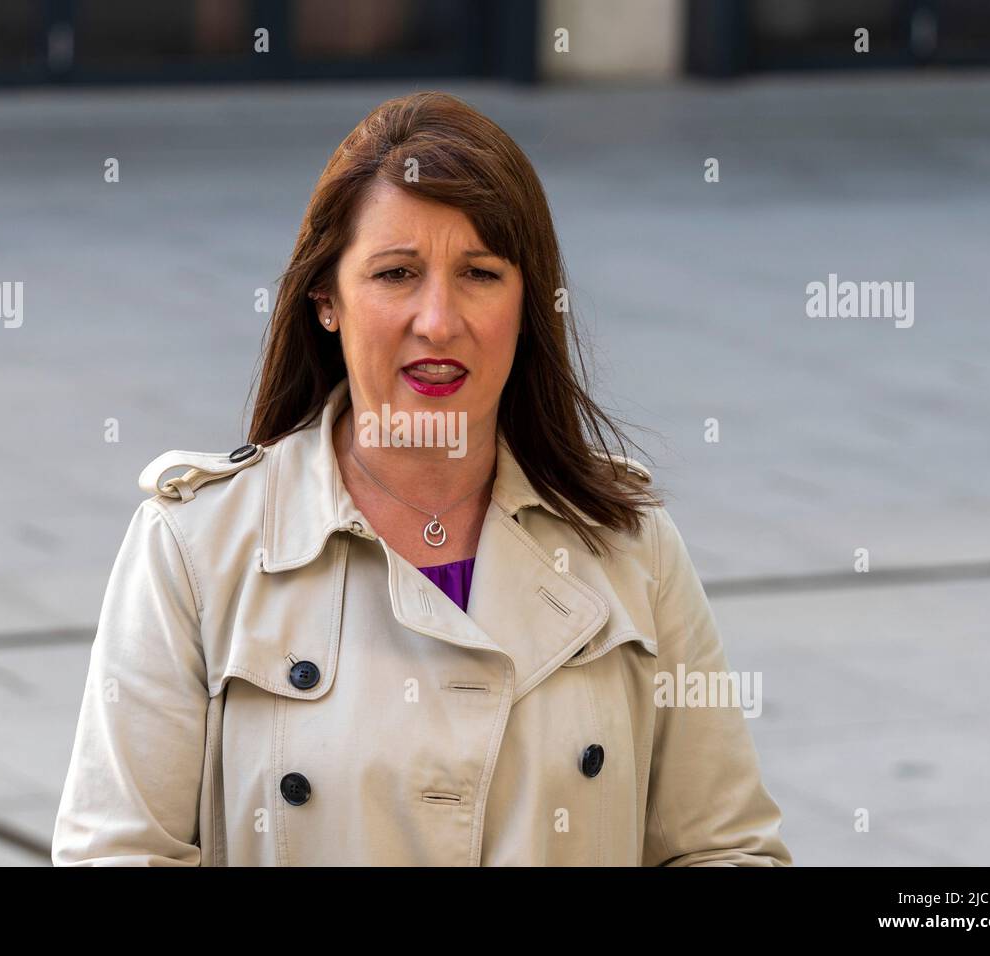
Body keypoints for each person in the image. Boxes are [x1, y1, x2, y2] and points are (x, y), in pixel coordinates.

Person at [51, 91, 791, 866]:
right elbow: (119, 854)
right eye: (397, 273)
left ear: (528, 302)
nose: (439, 321)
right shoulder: (195, 550)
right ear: (326, 300)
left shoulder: (632, 548)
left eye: (479, 273)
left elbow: (725, 848)